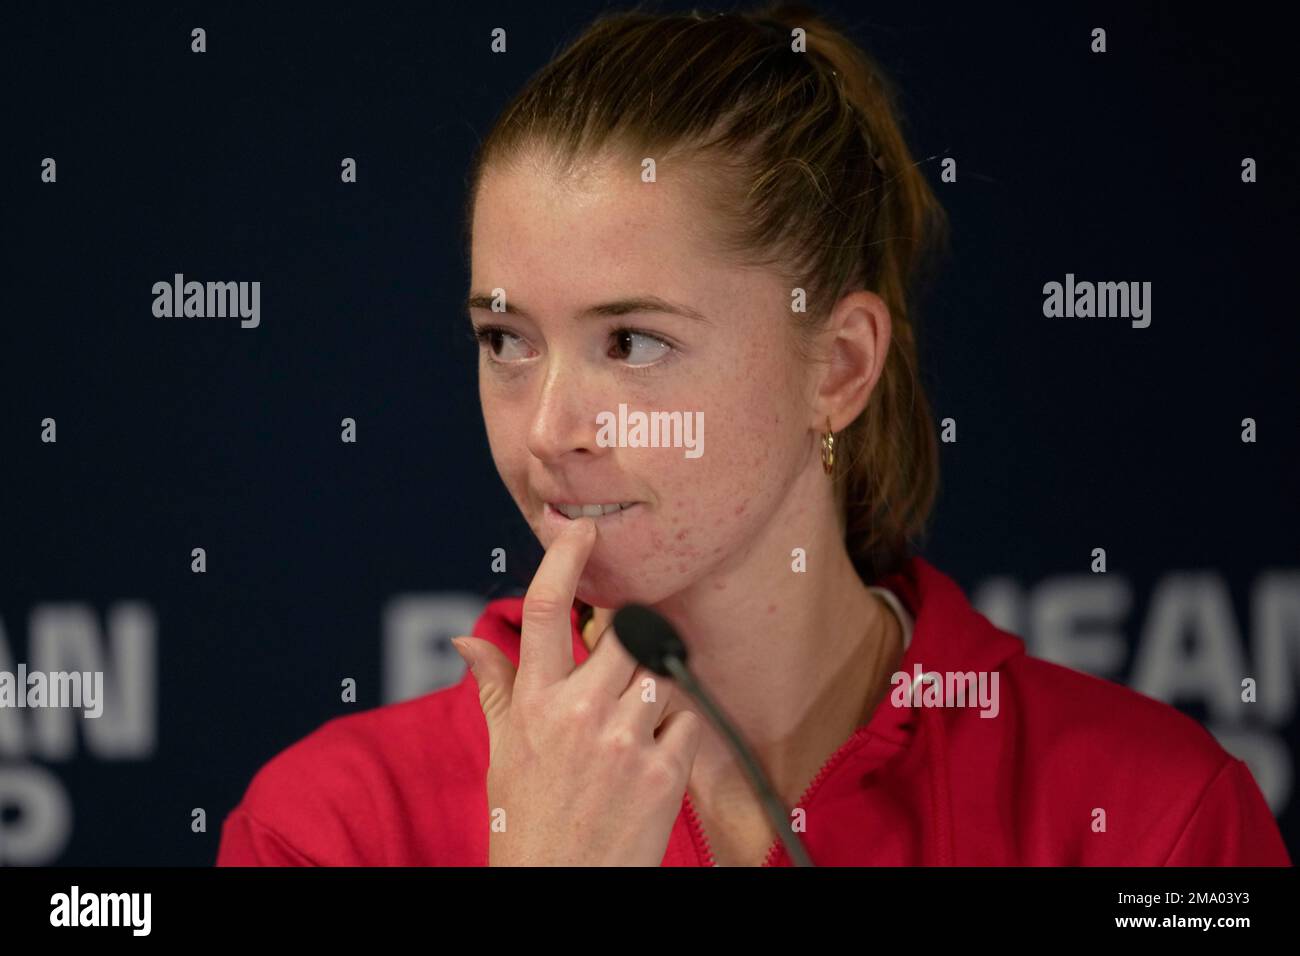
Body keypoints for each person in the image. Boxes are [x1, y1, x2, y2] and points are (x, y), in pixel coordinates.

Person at [216, 3, 1290, 866]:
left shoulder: (1151, 818)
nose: (548, 428)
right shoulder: (329, 829)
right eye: (505, 339)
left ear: (837, 368)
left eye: (632, 343)